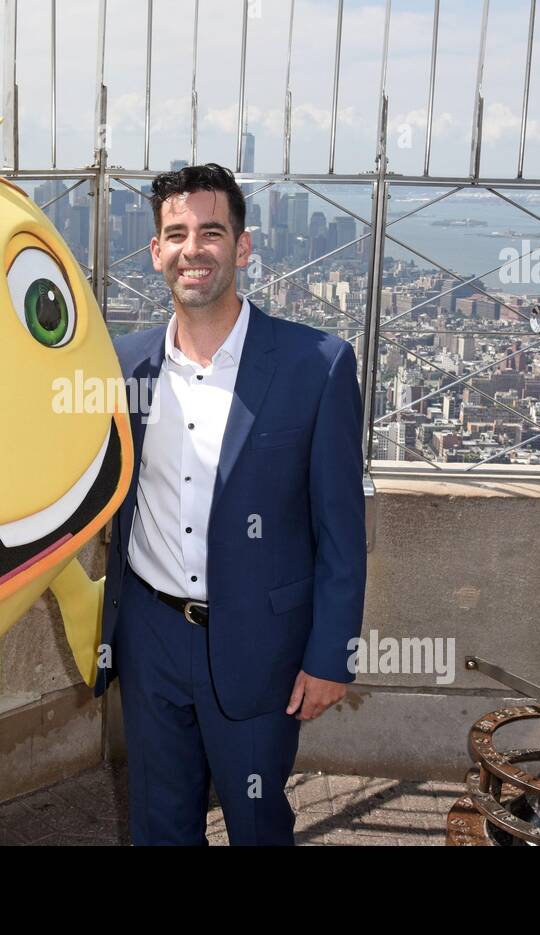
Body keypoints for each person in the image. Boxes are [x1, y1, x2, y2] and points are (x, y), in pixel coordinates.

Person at [97, 162, 367, 846]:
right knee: (160, 822)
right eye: (177, 233)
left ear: (242, 247)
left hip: (263, 642)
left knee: (255, 820)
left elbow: (341, 530)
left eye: (212, 231)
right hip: (150, 640)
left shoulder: (317, 365)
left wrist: (331, 654)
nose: (195, 248)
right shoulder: (123, 365)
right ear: (156, 250)